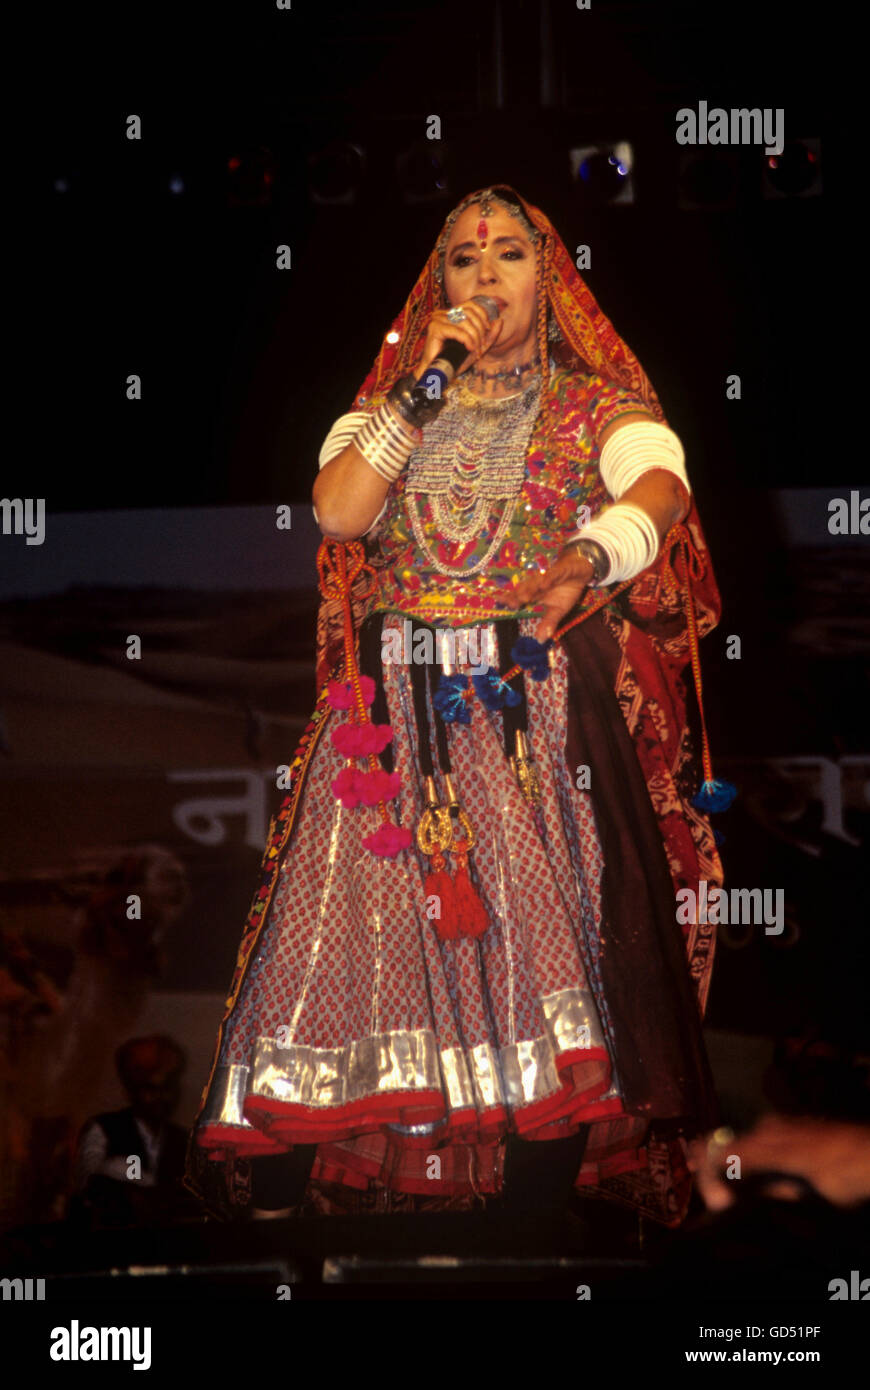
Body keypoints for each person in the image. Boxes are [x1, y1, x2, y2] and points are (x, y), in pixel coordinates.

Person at [185, 184, 724, 1233]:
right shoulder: (389, 408)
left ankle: (530, 1238)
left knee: (539, 965)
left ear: (549, 280)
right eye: (465, 261)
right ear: (438, 290)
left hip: (526, 720)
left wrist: (586, 555)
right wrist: (423, 384)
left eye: (510, 255)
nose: (485, 275)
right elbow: (340, 510)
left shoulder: (594, 405)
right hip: (387, 732)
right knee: (333, 952)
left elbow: (660, 490)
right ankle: (285, 1248)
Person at [70, 1034, 193, 1227]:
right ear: (130, 1091)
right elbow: (86, 1192)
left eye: (168, 1088)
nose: (162, 1098)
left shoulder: (183, 1140)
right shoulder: (103, 1130)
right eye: (151, 1090)